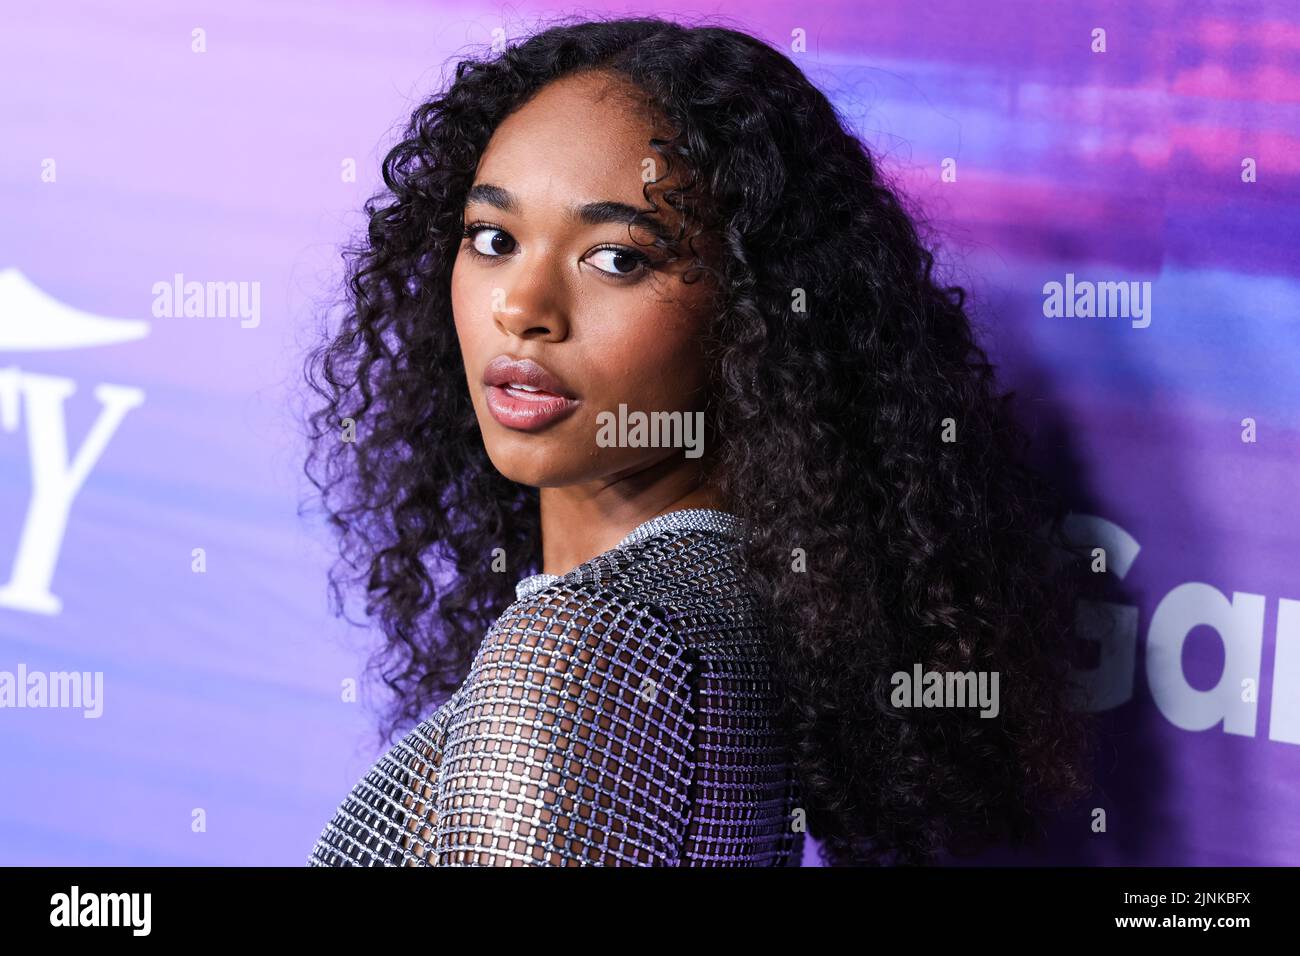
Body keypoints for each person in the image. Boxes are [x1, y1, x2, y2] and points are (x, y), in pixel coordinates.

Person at [302, 16, 1094, 867]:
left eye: (617, 259)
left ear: (754, 309)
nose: (521, 306)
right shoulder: (726, 613)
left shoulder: (595, 652)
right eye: (493, 240)